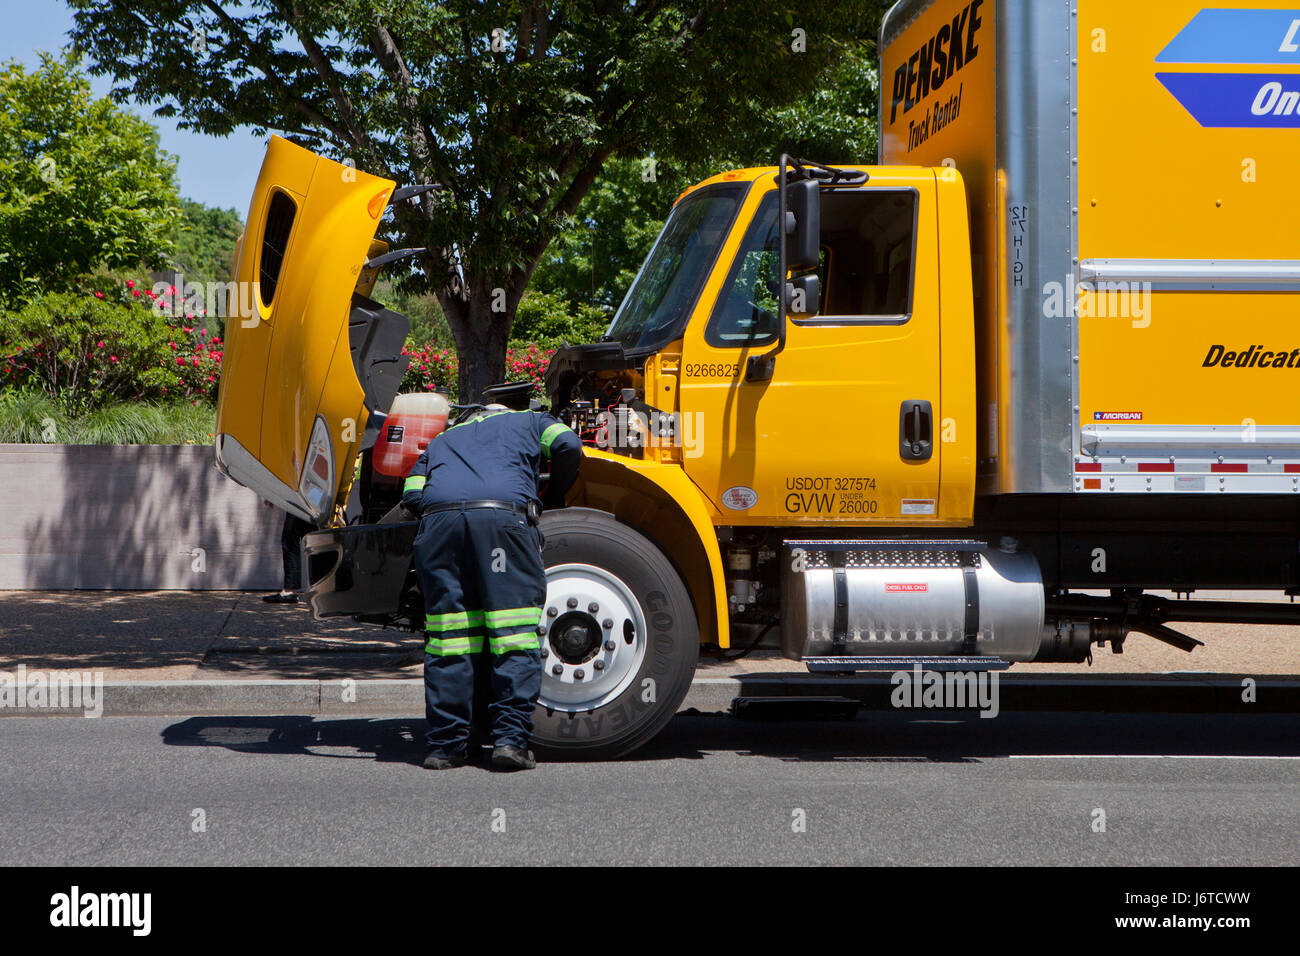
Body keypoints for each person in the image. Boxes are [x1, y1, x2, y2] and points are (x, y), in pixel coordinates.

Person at [402, 402, 581, 770]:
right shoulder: (531, 421)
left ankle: (447, 747)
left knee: (449, 637)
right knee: (512, 632)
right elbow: (568, 445)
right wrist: (553, 496)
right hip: (502, 522)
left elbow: (412, 493)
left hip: (439, 529)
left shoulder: (443, 438)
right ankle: (510, 742)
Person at [263, 505, 314, 603]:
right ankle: (322, 588)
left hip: (300, 498)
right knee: (312, 539)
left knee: (291, 540)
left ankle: (290, 591)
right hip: (311, 497)